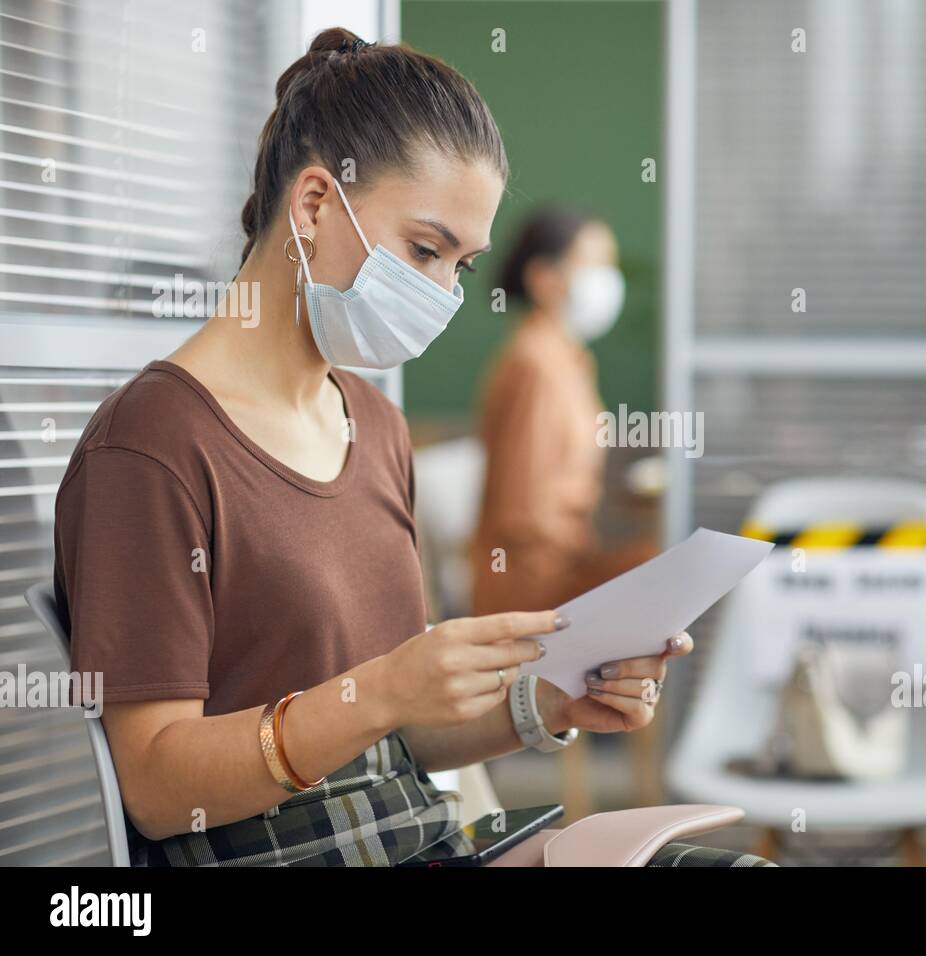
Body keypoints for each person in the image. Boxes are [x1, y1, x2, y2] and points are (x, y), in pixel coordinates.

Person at [53, 27, 774, 868]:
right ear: (316, 205)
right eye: (424, 250)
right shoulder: (149, 448)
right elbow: (154, 784)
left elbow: (392, 736)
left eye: (461, 267)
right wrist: (383, 688)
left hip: (427, 845)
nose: (440, 295)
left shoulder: (374, 424)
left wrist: (554, 700)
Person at [470, 207, 657, 617]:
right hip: (533, 590)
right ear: (544, 279)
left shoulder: (566, 360)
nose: (610, 281)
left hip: (566, 567)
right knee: (657, 569)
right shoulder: (535, 366)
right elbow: (525, 514)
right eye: (596, 265)